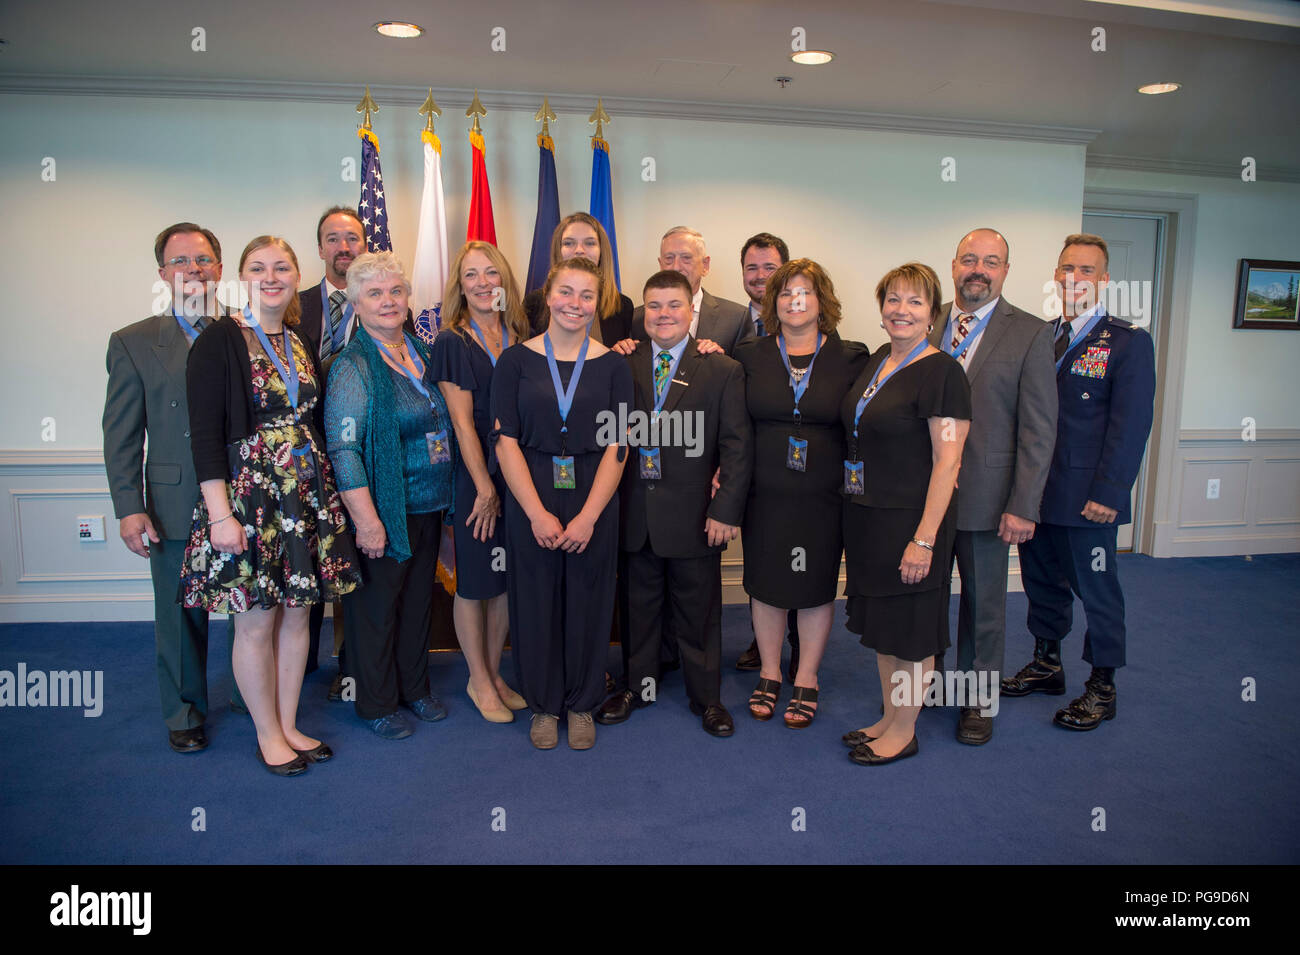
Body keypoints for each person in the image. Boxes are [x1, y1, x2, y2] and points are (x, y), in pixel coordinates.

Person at [179, 235, 361, 776]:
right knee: (257, 622)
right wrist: (220, 515)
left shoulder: (301, 339)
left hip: (304, 495)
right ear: (241, 278)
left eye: (282, 266)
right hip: (250, 498)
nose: (272, 275)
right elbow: (205, 436)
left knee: (300, 617)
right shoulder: (219, 341)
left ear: (297, 273)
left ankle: (288, 722)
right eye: (258, 267)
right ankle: (266, 734)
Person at [1004, 233, 1155, 731]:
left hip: (1088, 499)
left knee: (1098, 591)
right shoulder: (1040, 336)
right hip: (1037, 494)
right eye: (1067, 268)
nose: (1075, 278)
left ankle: (1102, 686)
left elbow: (1130, 426)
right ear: (1056, 276)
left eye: (1087, 270)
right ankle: (1047, 663)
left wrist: (1110, 494)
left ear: (1104, 279)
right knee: (1042, 582)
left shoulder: (1128, 342)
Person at [595, 270, 752, 737]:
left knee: (698, 610)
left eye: (674, 306)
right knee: (638, 607)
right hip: (636, 514)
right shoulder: (621, 363)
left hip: (695, 517)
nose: (664, 315)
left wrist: (725, 510)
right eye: (654, 306)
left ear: (691, 312)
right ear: (644, 313)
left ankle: (707, 699)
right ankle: (638, 686)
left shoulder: (722, 369)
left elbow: (737, 447)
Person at [104, 222, 241, 754]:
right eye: (181, 261)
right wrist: (128, 507)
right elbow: (120, 434)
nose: (194, 269)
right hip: (173, 500)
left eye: (203, 259)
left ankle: (254, 697)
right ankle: (184, 711)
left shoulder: (247, 331)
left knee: (251, 603)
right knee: (181, 611)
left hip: (244, 494)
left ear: (220, 269)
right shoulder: (133, 342)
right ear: (163, 272)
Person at [491, 256, 632, 751]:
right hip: (532, 488)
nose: (576, 304)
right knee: (533, 600)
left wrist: (589, 516)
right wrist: (535, 513)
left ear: (599, 303)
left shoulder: (615, 365)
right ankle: (544, 705)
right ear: (548, 296)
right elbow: (506, 442)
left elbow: (619, 446)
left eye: (587, 295)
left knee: (590, 600)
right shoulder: (515, 362)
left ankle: (582, 702)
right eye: (567, 293)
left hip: (595, 491)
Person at [925, 228, 1057, 745]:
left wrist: (1023, 505)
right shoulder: (924, 318)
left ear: (1005, 271)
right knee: (925, 598)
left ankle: (978, 701)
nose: (978, 269)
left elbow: (1039, 428)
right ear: (954, 264)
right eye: (969, 259)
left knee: (983, 605)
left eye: (992, 262)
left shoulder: (1029, 333)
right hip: (923, 497)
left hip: (989, 495)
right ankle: (926, 686)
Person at [842, 263, 971, 766]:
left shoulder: (943, 373)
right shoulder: (878, 360)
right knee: (885, 626)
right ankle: (889, 719)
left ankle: (905, 731)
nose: (901, 310)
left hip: (913, 524)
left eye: (915, 302)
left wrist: (924, 539)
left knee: (913, 632)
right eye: (893, 300)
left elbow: (948, 461)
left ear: (932, 313)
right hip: (869, 519)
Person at [325, 251, 457, 739]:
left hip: (430, 503)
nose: (388, 301)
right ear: (356, 304)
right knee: (376, 609)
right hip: (385, 509)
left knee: (417, 602)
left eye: (395, 291)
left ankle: (414, 688)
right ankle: (375, 701)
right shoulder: (353, 365)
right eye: (375, 294)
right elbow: (343, 447)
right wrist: (367, 520)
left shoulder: (421, 350)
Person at [732, 258, 869, 728]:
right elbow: (731, 425)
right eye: (787, 293)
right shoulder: (749, 354)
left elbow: (866, 427)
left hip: (823, 498)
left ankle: (806, 677)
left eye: (805, 293)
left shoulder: (852, 357)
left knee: (814, 588)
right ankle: (770, 673)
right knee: (766, 584)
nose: (795, 301)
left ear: (821, 301)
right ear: (773, 302)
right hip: (763, 496)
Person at [431, 241, 530, 722]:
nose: (483, 283)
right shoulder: (453, 340)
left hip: (522, 473)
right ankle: (477, 679)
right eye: (471, 276)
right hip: (478, 477)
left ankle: (493, 674)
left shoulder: (521, 330)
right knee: (475, 583)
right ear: (459, 287)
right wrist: (485, 488)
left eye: (491, 273)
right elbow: (462, 424)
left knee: (506, 581)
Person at [733, 232, 801, 677]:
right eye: (752, 267)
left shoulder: (809, 324)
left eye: (770, 268)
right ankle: (764, 644)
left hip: (799, 474)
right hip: (749, 469)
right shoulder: (728, 327)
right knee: (760, 560)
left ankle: (799, 651)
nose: (760, 276)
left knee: (800, 559)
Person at [632, 226, 754, 355]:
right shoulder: (636, 318)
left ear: (705, 265)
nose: (676, 267)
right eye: (669, 258)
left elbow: (746, 371)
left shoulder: (736, 318)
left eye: (686, 258)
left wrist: (722, 363)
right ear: (660, 264)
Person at [523, 212, 633, 344]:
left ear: (602, 251)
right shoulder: (534, 303)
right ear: (558, 250)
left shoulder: (622, 306)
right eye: (569, 243)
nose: (579, 250)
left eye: (590, 243)